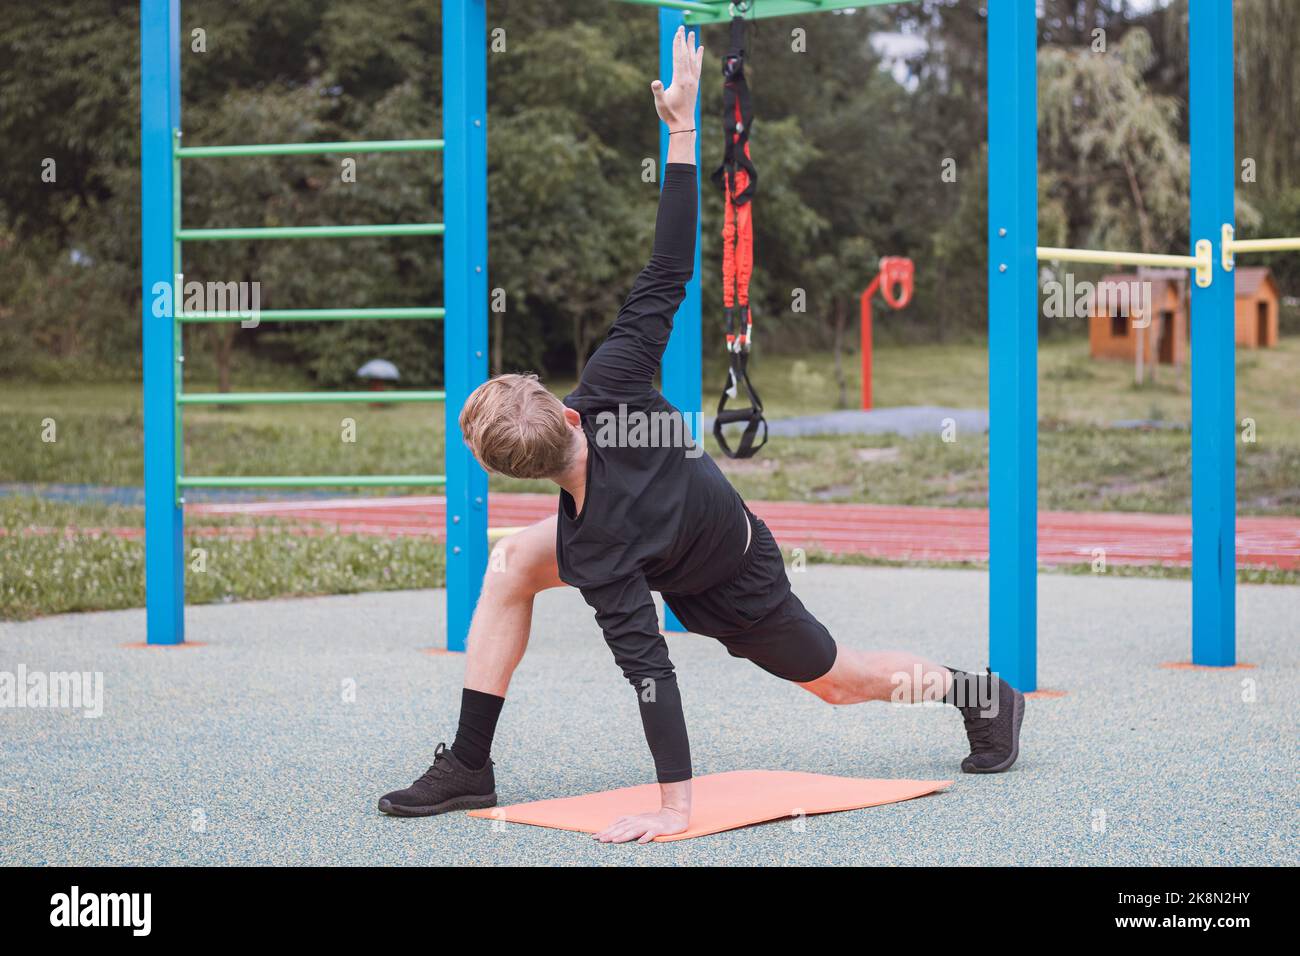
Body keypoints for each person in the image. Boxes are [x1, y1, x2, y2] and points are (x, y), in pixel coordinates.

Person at [378, 27, 1024, 843]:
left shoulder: (598, 550)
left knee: (838, 683)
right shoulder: (609, 390)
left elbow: (651, 674)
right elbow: (668, 269)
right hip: (659, 537)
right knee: (511, 563)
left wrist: (675, 810)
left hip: (733, 578)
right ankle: (470, 763)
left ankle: (982, 695)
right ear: (564, 412)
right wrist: (682, 127)